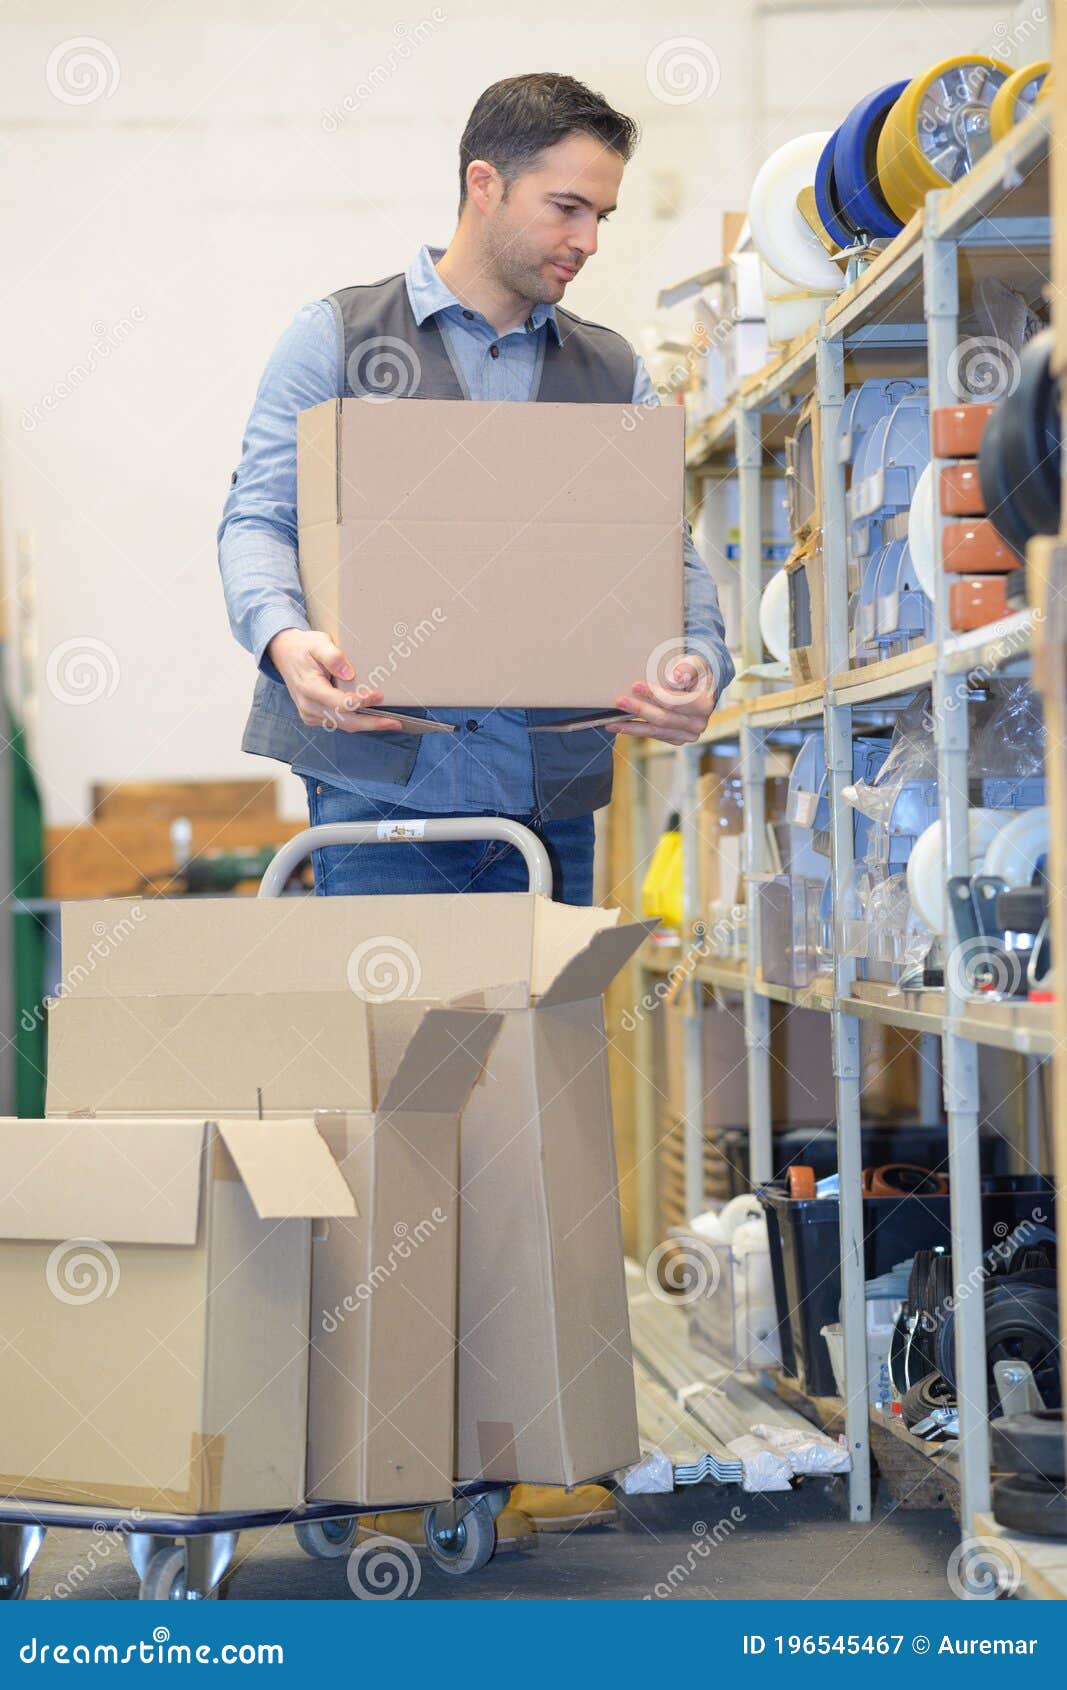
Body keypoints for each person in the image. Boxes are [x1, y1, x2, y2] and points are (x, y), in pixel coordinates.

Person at [218, 70, 733, 1538]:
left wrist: (696, 663)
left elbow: (672, 563)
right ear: (483, 185)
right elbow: (255, 515)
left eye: (604, 214)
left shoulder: (615, 368)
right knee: (385, 1133)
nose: (586, 239)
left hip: (544, 808)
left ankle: (487, 1458)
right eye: (568, 205)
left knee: (523, 1138)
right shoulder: (338, 338)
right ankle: (352, 1454)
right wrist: (284, 638)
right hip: (378, 799)